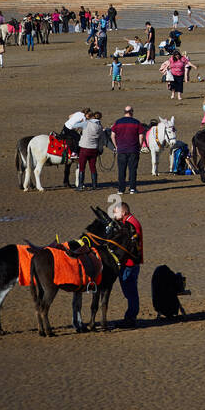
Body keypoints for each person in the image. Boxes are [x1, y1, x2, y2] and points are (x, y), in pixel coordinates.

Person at [111, 200, 143, 328]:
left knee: (130, 291)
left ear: (124, 212)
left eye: (116, 212)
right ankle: (130, 317)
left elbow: (130, 245)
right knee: (129, 291)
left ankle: (131, 318)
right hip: (130, 263)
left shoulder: (130, 224)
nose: (114, 215)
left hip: (130, 263)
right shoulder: (128, 222)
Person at [111, 105, 146, 196]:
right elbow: (141, 136)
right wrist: (139, 146)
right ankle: (132, 188)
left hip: (121, 150)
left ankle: (121, 189)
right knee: (132, 170)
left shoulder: (118, 122)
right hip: (133, 149)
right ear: (132, 112)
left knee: (121, 170)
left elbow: (112, 135)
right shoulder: (136, 122)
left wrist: (116, 146)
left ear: (124, 112)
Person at [77, 112, 104, 190]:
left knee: (82, 167)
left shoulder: (86, 123)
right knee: (93, 167)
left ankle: (80, 185)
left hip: (84, 148)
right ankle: (94, 185)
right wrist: (100, 149)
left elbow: (74, 126)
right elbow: (101, 140)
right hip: (94, 149)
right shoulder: (99, 127)